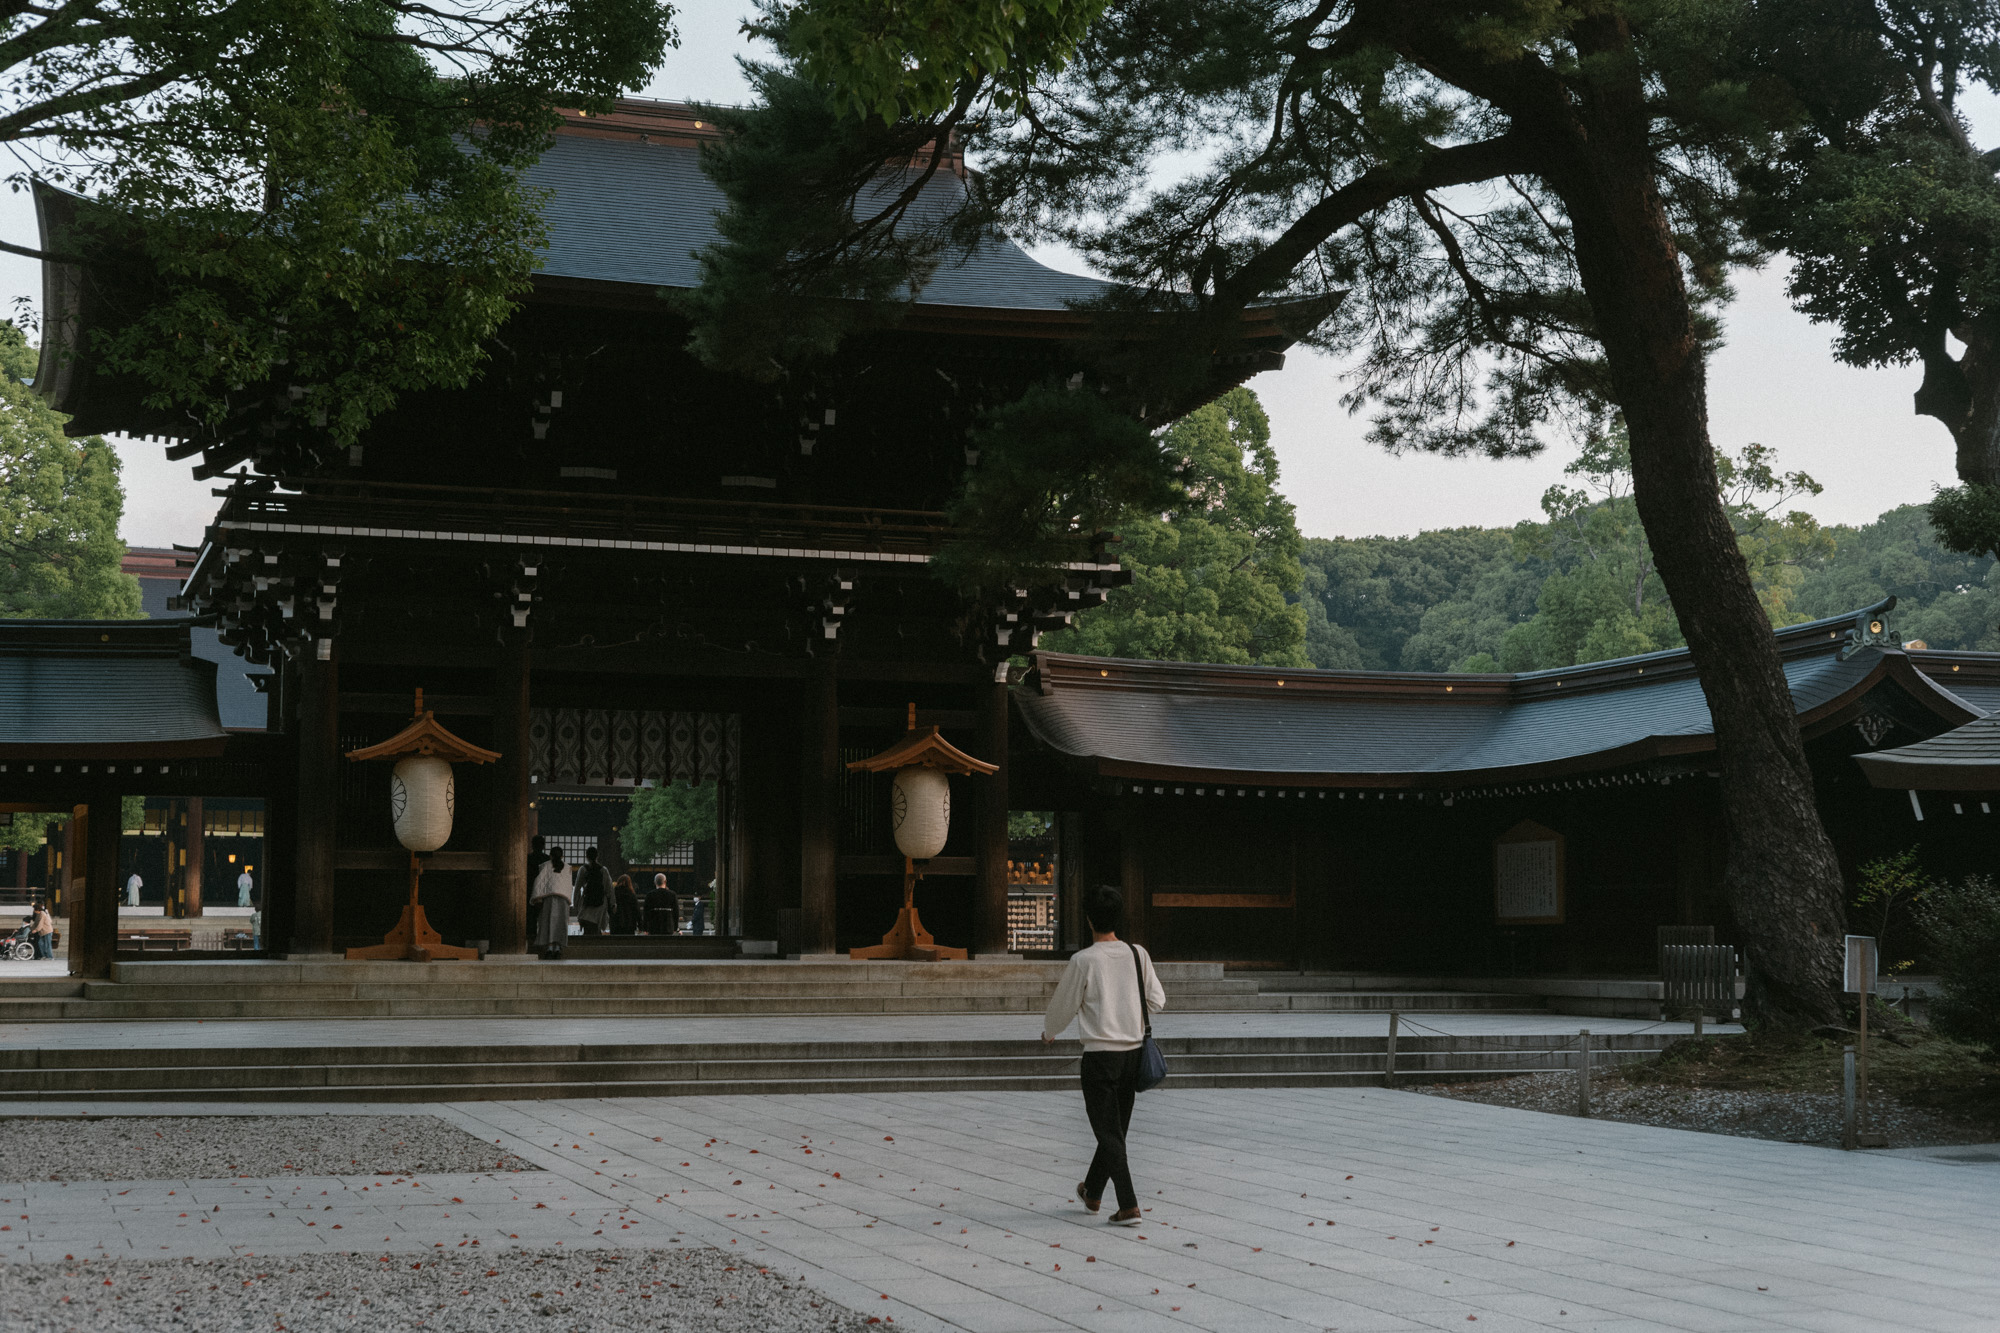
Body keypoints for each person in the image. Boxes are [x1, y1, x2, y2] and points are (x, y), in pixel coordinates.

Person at [1041, 886, 1167, 1227]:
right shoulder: (1137, 953)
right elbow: (1157, 1000)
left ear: (1088, 920)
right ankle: (1093, 1192)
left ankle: (1128, 1206)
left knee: (1109, 1133)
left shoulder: (1084, 960)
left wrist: (1050, 1031)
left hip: (1100, 1058)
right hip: (1133, 1055)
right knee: (1114, 1131)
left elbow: (1063, 1005)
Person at [530, 847, 571, 959]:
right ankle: (557, 947)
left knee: (548, 922)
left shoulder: (545, 866)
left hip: (549, 898)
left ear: (550, 855)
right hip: (563, 899)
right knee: (560, 923)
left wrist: (537, 898)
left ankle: (549, 947)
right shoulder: (567, 868)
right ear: (562, 856)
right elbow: (568, 886)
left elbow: (538, 882)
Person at [573, 846, 612, 936]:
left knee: (587, 929)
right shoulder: (603, 870)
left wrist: (576, 904)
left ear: (586, 856)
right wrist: (612, 903)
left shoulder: (583, 869)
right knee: (596, 928)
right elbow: (609, 889)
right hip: (600, 903)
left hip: (586, 903)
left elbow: (577, 887)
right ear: (597, 856)